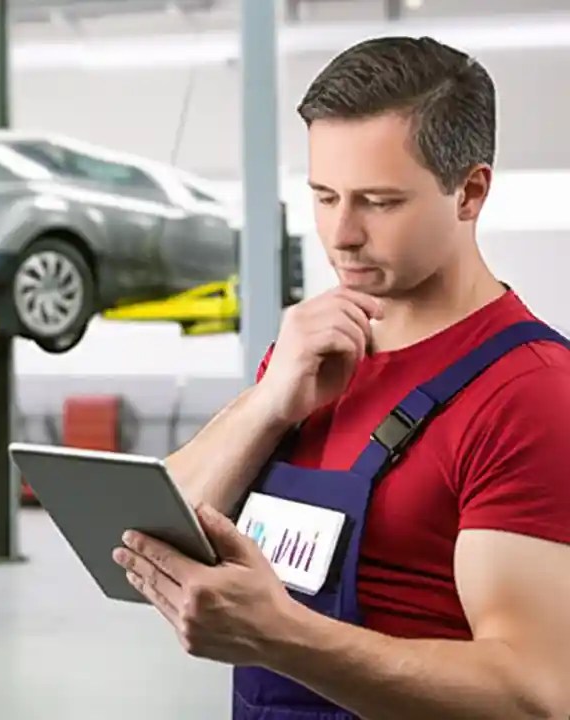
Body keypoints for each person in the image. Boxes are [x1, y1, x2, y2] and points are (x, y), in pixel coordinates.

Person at [111, 36, 570, 719]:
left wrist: (282, 635)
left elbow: (535, 694)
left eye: (378, 203)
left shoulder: (531, 394)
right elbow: (138, 542)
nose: (341, 234)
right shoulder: (307, 352)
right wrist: (269, 402)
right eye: (324, 196)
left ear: (470, 192)